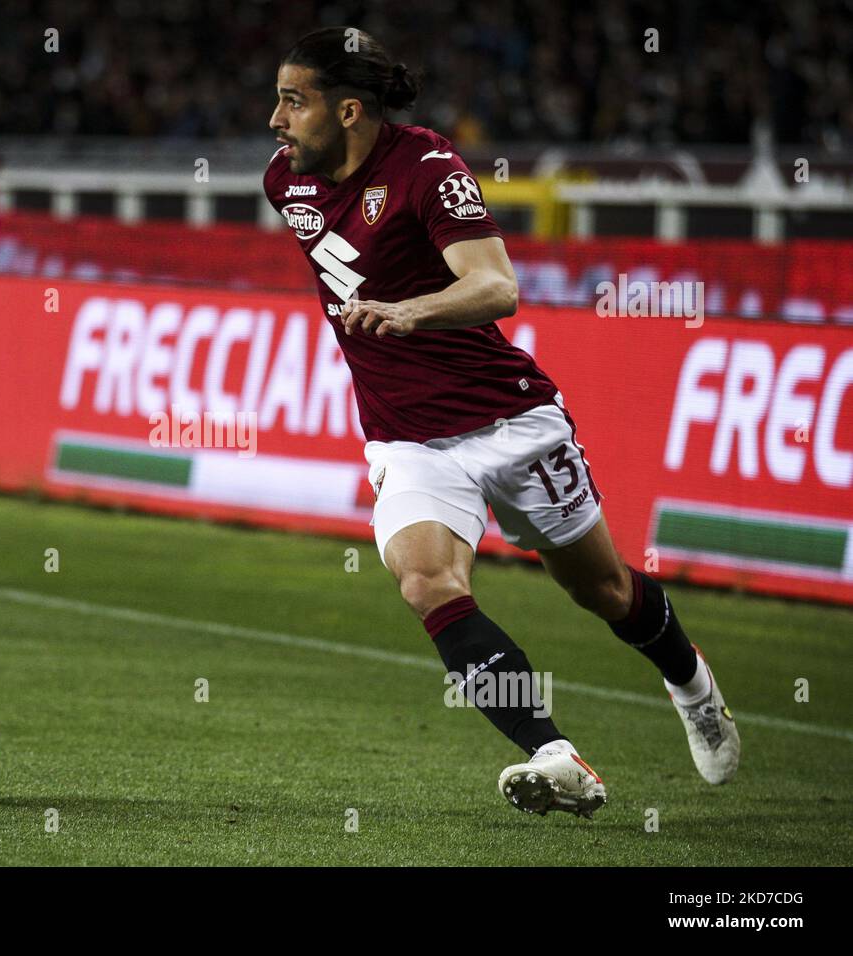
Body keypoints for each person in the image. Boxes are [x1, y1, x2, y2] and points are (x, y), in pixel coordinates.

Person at [264, 27, 739, 818]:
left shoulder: (427, 168)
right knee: (426, 580)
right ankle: (554, 755)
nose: (275, 120)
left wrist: (409, 312)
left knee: (604, 591)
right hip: (408, 438)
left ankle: (693, 686)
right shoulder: (289, 183)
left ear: (349, 111)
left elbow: (496, 287)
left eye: (292, 100)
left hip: (509, 420)